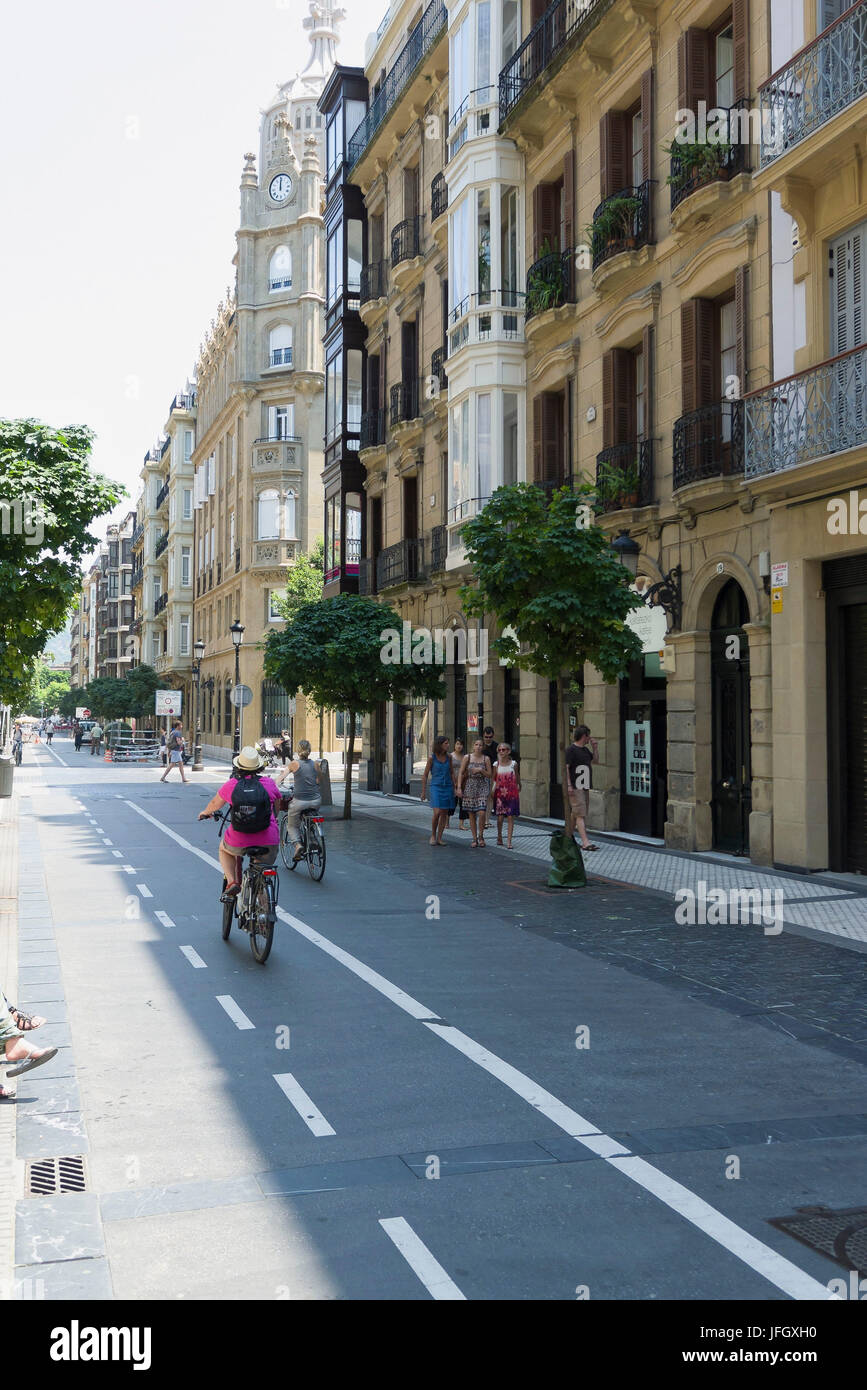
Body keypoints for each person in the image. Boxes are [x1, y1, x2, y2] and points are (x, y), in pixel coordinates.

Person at [198, 745, 282, 892]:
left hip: (239, 840)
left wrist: (205, 812)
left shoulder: (232, 785)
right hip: (269, 839)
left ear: (238, 767)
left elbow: (214, 804)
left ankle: (232, 883)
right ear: (258, 767)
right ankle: (264, 905)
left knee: (224, 850)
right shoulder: (269, 784)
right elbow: (277, 808)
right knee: (262, 876)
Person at [275, 739, 322, 861]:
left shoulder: (294, 764)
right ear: (309, 751)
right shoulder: (316, 764)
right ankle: (312, 838)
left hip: (300, 801)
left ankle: (298, 845)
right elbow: (318, 781)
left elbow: (281, 778)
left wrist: (275, 784)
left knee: (292, 826)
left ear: (298, 750)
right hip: (316, 800)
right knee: (311, 818)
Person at [565, 724, 599, 851]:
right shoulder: (571, 750)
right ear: (584, 736)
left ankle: (567, 837)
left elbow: (595, 761)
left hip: (585, 786)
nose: (589, 739)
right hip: (575, 786)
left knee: (576, 812)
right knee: (580, 814)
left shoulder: (585, 750)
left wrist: (595, 748)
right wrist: (569, 785)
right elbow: (566, 768)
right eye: (588, 736)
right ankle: (585, 842)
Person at [421, 735, 456, 845]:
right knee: (437, 812)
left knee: (444, 813)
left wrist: (456, 787)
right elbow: (425, 775)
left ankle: (440, 838)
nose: (448, 745)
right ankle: (433, 835)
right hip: (436, 786)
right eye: (446, 743)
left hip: (448, 786)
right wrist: (423, 791)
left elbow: (451, 772)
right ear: (439, 745)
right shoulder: (432, 758)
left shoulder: (449, 757)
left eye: (448, 743)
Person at [459, 739, 493, 848]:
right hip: (470, 786)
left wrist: (480, 770)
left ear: (483, 747)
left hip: (482, 786)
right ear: (473, 746)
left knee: (482, 812)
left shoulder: (486, 759)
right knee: (472, 814)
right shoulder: (467, 757)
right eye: (476, 744)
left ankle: (481, 835)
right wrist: (459, 787)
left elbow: (490, 774)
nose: (478, 747)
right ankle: (474, 838)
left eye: (480, 745)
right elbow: (461, 772)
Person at [492, 742, 521, 848]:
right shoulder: (496, 764)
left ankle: (509, 841)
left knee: (510, 817)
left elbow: (517, 775)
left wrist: (519, 785)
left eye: (503, 750)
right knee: (500, 818)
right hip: (500, 793)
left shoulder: (514, 763)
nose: (501, 752)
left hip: (512, 793)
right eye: (499, 750)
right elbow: (494, 778)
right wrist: (492, 790)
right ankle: (499, 835)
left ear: (508, 751)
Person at [451, 738, 468, 830]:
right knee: (451, 803)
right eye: (457, 744)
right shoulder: (450, 756)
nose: (459, 746)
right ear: (454, 745)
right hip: (452, 783)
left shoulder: (465, 757)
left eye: (461, 744)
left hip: (463, 783)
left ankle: (461, 824)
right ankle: (446, 822)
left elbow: (466, 770)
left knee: (463, 804)